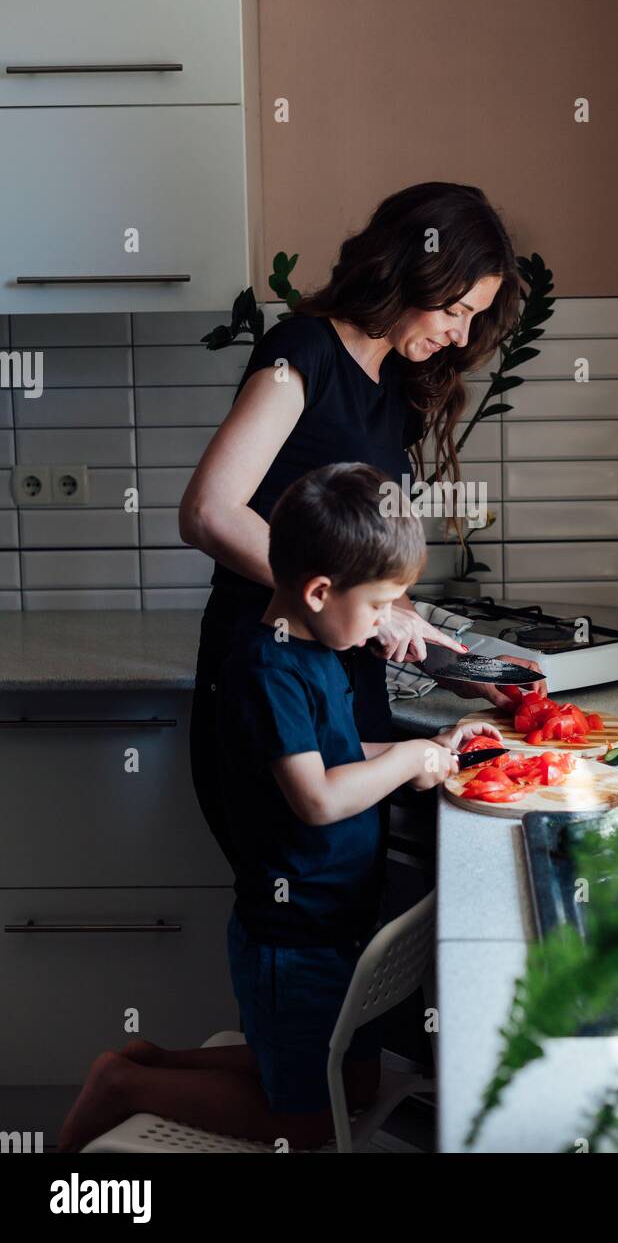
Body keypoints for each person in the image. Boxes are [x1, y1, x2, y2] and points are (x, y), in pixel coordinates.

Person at [57, 463, 504, 1152]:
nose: (390, 623)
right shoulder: (269, 668)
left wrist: (435, 748)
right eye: (383, 605)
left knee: (342, 1083)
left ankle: (147, 1065)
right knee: (303, 1119)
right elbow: (318, 798)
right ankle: (124, 1087)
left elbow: (334, 750)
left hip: (334, 919)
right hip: (291, 936)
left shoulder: (317, 644)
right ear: (320, 590)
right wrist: (407, 762)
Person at [178, 180, 532, 872]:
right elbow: (209, 512)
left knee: (341, 909)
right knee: (293, 916)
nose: (462, 334)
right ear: (407, 269)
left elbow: (363, 575)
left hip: (345, 690)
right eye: (456, 309)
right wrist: (382, 618)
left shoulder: (394, 387)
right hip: (271, 676)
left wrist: (449, 661)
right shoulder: (301, 352)